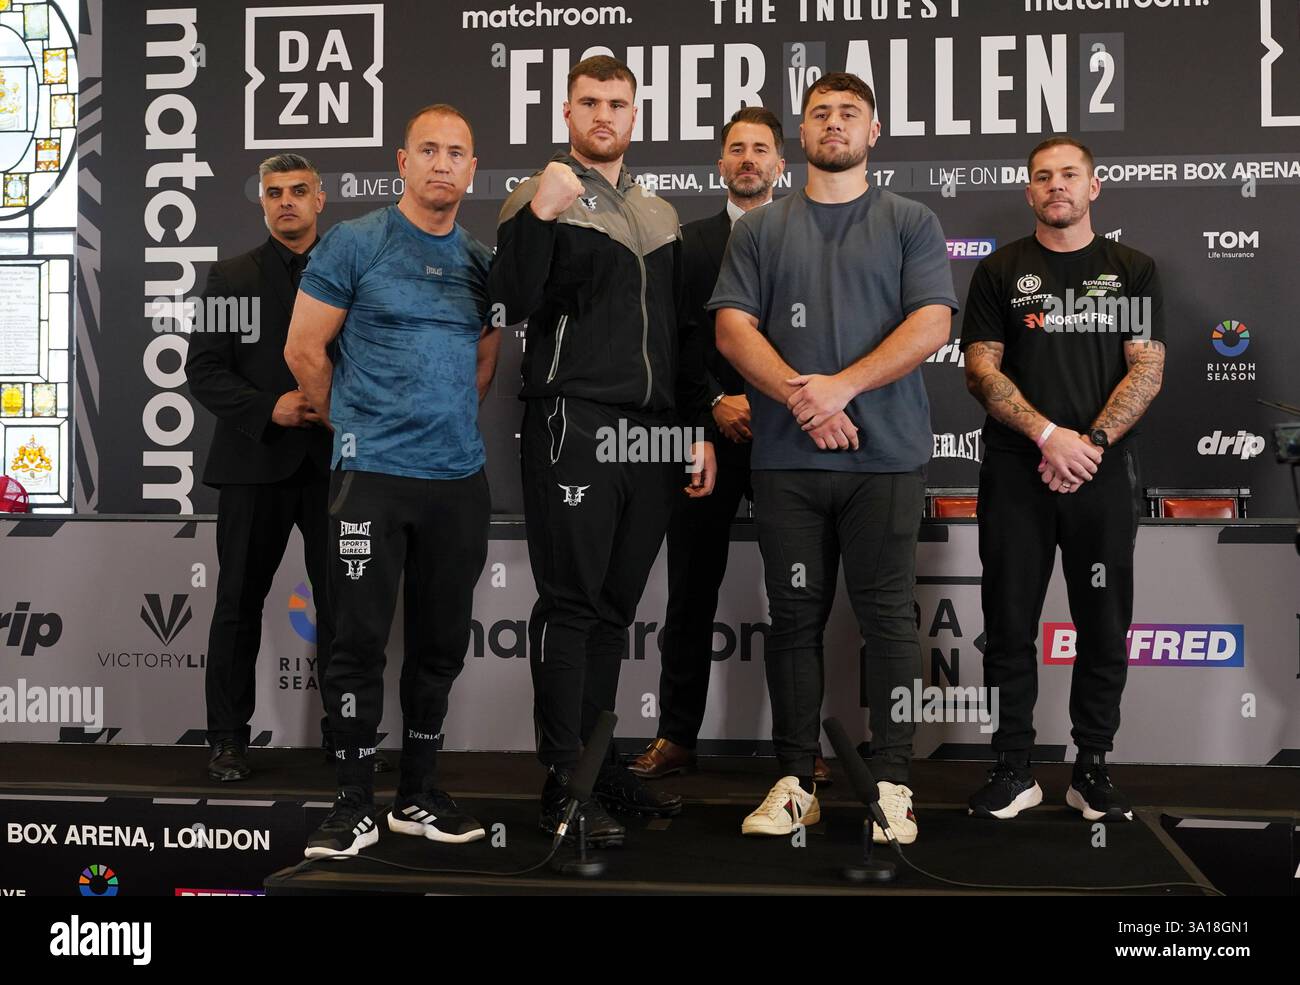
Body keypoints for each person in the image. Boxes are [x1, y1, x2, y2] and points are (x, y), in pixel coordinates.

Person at [711, 73, 956, 843]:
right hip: (788, 462)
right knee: (793, 620)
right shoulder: (758, 229)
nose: (834, 124)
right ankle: (794, 779)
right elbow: (732, 330)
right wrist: (801, 399)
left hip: (885, 461)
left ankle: (893, 782)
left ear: (874, 130)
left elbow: (932, 324)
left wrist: (841, 389)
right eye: (820, 114)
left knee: (887, 622)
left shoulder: (911, 219)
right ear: (803, 135)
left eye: (849, 113)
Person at [489, 55, 716, 847]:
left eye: (617, 103)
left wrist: (693, 430)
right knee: (573, 604)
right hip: (573, 420)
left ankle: (597, 763)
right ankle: (563, 782)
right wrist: (538, 217)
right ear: (566, 112)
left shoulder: (661, 214)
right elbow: (509, 299)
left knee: (615, 610)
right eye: (589, 103)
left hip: (650, 431)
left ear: (635, 115)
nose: (604, 116)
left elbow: (684, 340)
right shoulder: (538, 193)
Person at [286, 105, 500, 858]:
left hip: (456, 481)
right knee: (355, 642)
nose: (444, 163)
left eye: (458, 153)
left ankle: (417, 793)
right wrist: (353, 422)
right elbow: (305, 349)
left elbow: (482, 363)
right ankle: (352, 802)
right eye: (430, 150)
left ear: (472, 171)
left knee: (440, 645)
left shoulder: (481, 259)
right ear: (401, 163)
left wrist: (437, 426)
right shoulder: (356, 242)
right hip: (369, 478)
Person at [961, 136, 1165, 823]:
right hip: (1020, 469)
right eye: (1043, 176)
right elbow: (982, 370)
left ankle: (1093, 767)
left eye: (1068, 175)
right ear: (1029, 191)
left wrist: (1092, 442)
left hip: (1101, 472)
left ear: (1094, 186)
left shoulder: (1131, 268)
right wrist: (1049, 436)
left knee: (1103, 624)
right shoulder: (999, 270)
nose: (1056, 186)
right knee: (1009, 622)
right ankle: (1013, 766)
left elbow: (1146, 367)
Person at [631, 107, 831, 785]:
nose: (749, 159)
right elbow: (672, 341)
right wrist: (714, 404)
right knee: (690, 588)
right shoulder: (687, 242)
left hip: (791, 434)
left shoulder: (808, 235)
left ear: (782, 163)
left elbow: (812, 340)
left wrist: (773, 400)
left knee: (797, 596)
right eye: (737, 149)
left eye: (761, 149)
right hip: (705, 435)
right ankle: (676, 734)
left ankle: (801, 749)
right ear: (720, 163)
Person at [187, 153, 339, 782]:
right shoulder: (230, 277)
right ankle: (226, 739)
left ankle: (348, 741)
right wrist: (267, 407)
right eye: (274, 192)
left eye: (299, 191)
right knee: (236, 605)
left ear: (320, 199)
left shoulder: (351, 268)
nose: (287, 202)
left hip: (337, 462)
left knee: (346, 609)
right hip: (255, 463)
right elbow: (205, 371)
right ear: (262, 201)